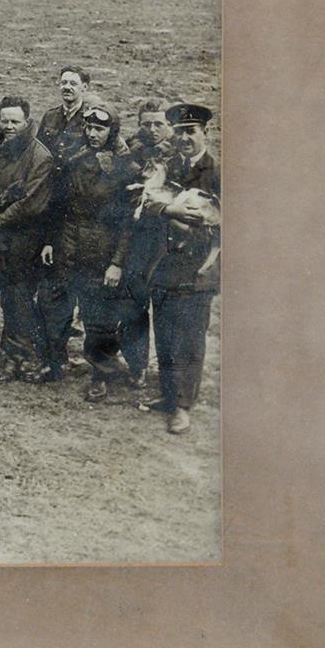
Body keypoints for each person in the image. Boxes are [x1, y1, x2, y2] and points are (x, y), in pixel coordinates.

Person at [36, 103, 137, 394]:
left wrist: (117, 262)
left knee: (98, 317)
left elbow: (128, 223)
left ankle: (101, 375)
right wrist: (48, 242)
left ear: (112, 131)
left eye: (100, 128)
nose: (93, 134)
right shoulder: (74, 160)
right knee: (54, 307)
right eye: (89, 128)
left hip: (101, 250)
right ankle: (53, 363)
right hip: (68, 245)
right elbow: (58, 207)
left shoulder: (126, 170)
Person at [134, 102, 220, 435]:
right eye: (180, 132)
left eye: (191, 132)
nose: (185, 138)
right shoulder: (167, 166)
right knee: (166, 331)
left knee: (190, 336)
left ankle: (183, 405)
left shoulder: (218, 172)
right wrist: (170, 210)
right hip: (165, 263)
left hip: (198, 267)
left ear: (205, 133)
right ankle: (169, 395)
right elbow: (145, 200)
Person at [0, 97, 55, 383]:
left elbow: (31, 203)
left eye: (14, 122)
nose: (8, 127)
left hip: (22, 239)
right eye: (4, 121)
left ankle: (17, 356)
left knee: (16, 297)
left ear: (27, 122)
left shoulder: (40, 157)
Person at [118, 98, 174, 384]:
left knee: (166, 308)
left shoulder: (179, 155)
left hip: (168, 241)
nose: (152, 130)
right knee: (132, 304)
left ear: (169, 126)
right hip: (137, 239)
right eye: (146, 124)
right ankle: (136, 365)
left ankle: (169, 375)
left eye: (158, 124)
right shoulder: (131, 153)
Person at [38, 66, 92, 162]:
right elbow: (38, 149)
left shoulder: (91, 118)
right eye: (64, 83)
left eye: (73, 84)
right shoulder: (49, 116)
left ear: (84, 87)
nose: (67, 87)